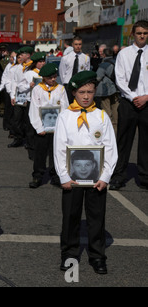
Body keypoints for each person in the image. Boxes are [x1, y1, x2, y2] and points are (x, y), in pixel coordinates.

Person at [53, 70, 118, 274]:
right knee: (70, 217)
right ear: (74, 92)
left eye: (90, 91)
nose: (86, 96)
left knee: (96, 217)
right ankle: (69, 254)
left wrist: (105, 176)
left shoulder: (101, 116)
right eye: (82, 92)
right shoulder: (65, 116)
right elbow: (60, 147)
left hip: (95, 178)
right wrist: (63, 176)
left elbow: (110, 148)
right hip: (72, 178)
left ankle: (97, 255)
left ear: (95, 92)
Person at [110, 20, 148, 191]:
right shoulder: (124, 54)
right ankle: (119, 175)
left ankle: (145, 177)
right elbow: (120, 79)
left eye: (145, 33)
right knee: (123, 141)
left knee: (146, 142)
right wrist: (134, 97)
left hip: (147, 102)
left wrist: (146, 97)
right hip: (128, 102)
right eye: (139, 33)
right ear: (133, 34)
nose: (142, 36)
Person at [28, 63, 69, 188]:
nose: (53, 80)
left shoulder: (60, 89)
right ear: (44, 78)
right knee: (40, 153)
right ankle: (37, 176)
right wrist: (39, 127)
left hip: (56, 128)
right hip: (42, 128)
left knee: (56, 152)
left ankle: (56, 175)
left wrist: (61, 127)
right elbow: (34, 109)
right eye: (50, 77)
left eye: (55, 77)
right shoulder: (37, 89)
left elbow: (65, 108)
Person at [14, 52, 46, 160]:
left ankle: (40, 149)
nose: (42, 63)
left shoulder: (46, 73)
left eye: (43, 61)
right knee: (30, 126)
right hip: (31, 102)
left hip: (44, 103)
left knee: (41, 126)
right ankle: (31, 149)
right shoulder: (29, 74)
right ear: (35, 63)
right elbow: (20, 86)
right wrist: (29, 85)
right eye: (40, 62)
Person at [8, 46, 34, 148]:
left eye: (22, 55)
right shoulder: (19, 67)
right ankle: (18, 138)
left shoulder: (32, 67)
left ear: (28, 55)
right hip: (20, 95)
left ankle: (29, 140)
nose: (20, 56)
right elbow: (14, 82)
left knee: (28, 119)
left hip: (30, 95)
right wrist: (12, 95)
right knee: (17, 118)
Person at [59, 36, 90, 103]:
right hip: (68, 84)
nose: (78, 46)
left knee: (80, 103)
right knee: (69, 104)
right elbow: (62, 73)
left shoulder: (86, 58)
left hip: (80, 84)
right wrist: (65, 84)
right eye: (76, 44)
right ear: (72, 45)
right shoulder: (65, 58)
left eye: (79, 44)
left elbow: (87, 72)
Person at [94, 48, 119, 134]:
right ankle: (116, 130)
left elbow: (98, 77)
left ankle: (108, 132)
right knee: (115, 110)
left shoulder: (103, 64)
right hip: (116, 90)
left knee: (107, 111)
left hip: (105, 91)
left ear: (104, 55)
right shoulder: (117, 62)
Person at [0, 50, 17, 132]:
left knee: (15, 111)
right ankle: (6, 125)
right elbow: (4, 77)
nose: (11, 58)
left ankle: (13, 126)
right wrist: (1, 88)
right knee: (8, 109)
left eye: (13, 57)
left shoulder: (18, 67)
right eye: (10, 57)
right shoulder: (8, 66)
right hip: (8, 90)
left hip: (16, 91)